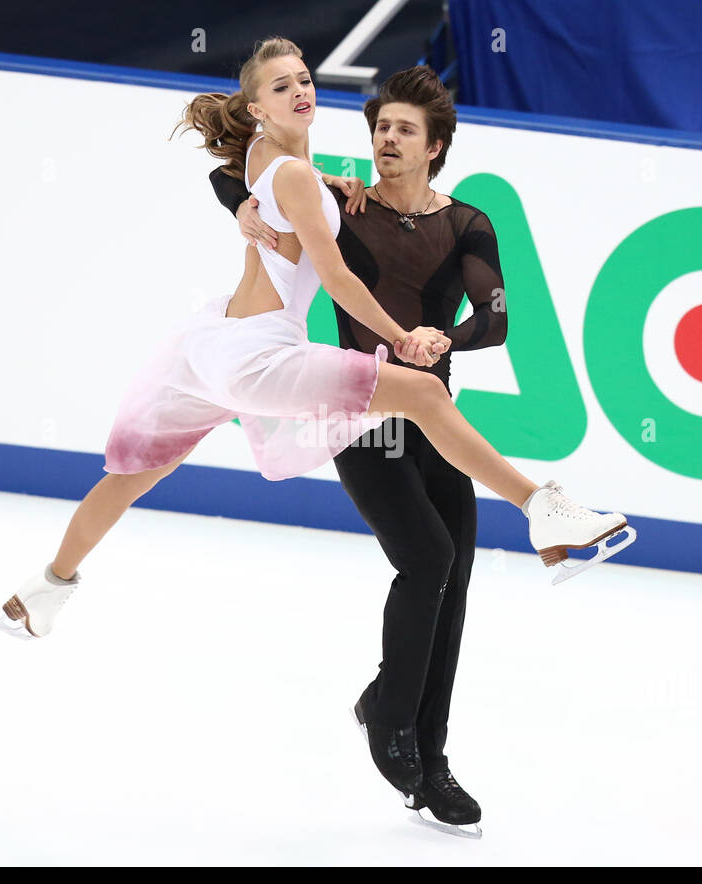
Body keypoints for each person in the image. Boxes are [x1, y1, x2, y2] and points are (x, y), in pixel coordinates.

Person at [0, 37, 635, 826]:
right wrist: (401, 337)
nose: (302, 90)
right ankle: (542, 505)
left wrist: (286, 194)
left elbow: (248, 174)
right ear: (258, 105)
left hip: (212, 345)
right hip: (269, 357)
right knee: (427, 408)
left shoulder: (294, 169)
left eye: (305, 79)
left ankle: (48, 588)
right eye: (282, 84)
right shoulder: (297, 177)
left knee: (136, 474)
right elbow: (327, 270)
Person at [210, 65, 509, 837]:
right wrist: (242, 205)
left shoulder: (468, 222)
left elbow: (497, 317)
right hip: (364, 415)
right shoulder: (345, 202)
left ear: (435, 146)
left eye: (405, 130)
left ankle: (428, 758)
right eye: (381, 128)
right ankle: (391, 730)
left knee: (455, 583)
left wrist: (453, 336)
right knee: (427, 561)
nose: (387, 140)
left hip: (436, 419)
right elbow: (240, 172)